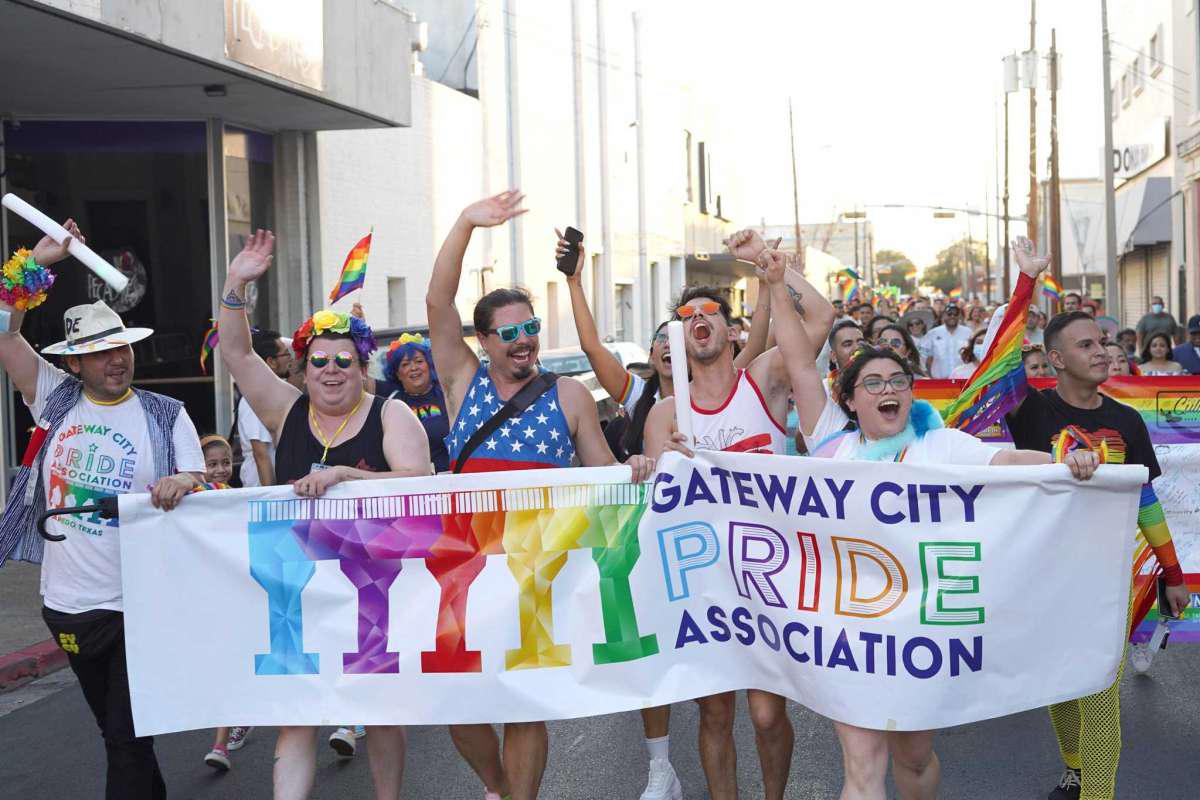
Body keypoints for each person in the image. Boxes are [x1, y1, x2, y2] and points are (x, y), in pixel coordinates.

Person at [426, 192, 654, 800]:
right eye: (510, 333)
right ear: (483, 341)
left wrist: (633, 466)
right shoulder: (462, 380)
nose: (525, 340)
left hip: (537, 571)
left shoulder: (570, 395)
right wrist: (466, 222)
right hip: (465, 567)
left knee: (525, 704)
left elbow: (605, 477)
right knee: (458, 705)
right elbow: (437, 304)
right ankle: (500, 787)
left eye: (531, 328)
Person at [218, 229, 433, 800]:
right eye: (319, 361)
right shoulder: (285, 410)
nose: (331, 370)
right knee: (297, 716)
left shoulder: (390, 416)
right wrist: (236, 283)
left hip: (374, 588)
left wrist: (342, 475)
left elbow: (418, 483)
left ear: (362, 365)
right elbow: (236, 353)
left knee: (379, 712)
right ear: (304, 368)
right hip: (299, 587)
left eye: (344, 360)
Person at [0, 222, 206, 800]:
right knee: (119, 734)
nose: (117, 360)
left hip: (139, 603)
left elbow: (202, 481)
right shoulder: (53, 396)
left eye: (121, 347)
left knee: (126, 735)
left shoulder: (166, 414)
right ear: (74, 365)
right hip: (67, 607)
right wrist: (36, 264)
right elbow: (2, 329)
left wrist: (184, 481)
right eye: (100, 353)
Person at [994, 243, 1190, 800]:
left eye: (1103, 342)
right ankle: (1076, 769)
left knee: (1101, 690)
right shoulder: (1030, 410)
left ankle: (1098, 793)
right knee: (1059, 683)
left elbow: (1146, 500)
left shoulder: (1126, 420)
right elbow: (1001, 361)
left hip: (1107, 577)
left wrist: (1173, 574)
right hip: (1041, 575)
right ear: (1055, 360)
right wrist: (1026, 284)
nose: (1102, 351)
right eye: (1086, 345)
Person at [643, 249, 835, 800]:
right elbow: (654, 509)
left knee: (768, 714)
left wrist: (775, 273)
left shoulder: (764, 378)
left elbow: (821, 318)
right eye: (686, 316)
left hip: (768, 576)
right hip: (704, 584)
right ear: (678, 339)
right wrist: (653, 464)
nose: (698, 319)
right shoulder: (666, 414)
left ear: (731, 332)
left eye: (710, 312)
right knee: (715, 712)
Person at [374, 333, 452, 472]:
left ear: (429, 365)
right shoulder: (391, 403)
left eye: (419, 361)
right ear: (397, 373)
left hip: (449, 477)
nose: (413, 368)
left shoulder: (447, 395)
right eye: (405, 364)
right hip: (410, 480)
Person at [237, 329, 290, 487]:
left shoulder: (278, 391)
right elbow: (261, 454)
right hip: (262, 491)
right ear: (271, 362)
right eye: (286, 354)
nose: (291, 359)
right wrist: (270, 496)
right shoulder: (255, 398)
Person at [924, 302, 972, 378]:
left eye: (955, 314)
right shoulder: (933, 333)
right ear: (943, 315)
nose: (952, 316)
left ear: (959, 316)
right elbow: (928, 359)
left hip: (962, 379)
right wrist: (930, 377)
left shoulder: (968, 332)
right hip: (939, 380)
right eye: (949, 314)